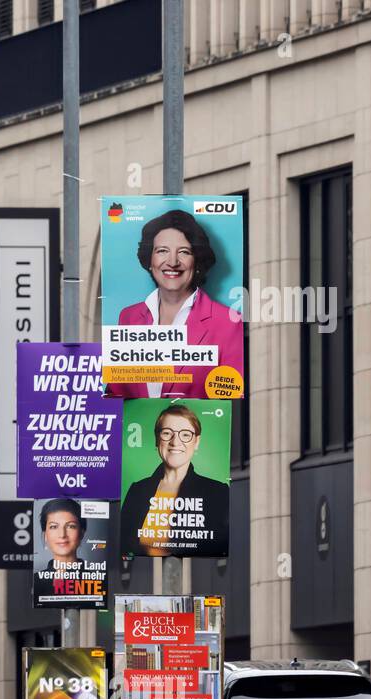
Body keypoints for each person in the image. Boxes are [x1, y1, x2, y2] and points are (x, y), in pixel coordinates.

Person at [108, 209, 243, 399]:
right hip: (136, 429)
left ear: (196, 262)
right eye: (162, 251)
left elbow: (231, 401)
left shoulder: (227, 322)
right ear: (150, 259)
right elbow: (117, 392)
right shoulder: (129, 317)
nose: (172, 262)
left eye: (184, 252)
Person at [120, 404, 229, 557]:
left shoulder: (218, 493)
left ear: (196, 442)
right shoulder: (137, 490)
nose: (175, 442)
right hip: (143, 574)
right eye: (167, 433)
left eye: (185, 435)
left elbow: (218, 549)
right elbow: (124, 548)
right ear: (157, 439)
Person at [36, 499, 86, 570]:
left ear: (81, 533)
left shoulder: (97, 580)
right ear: (45, 535)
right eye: (54, 527)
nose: (62, 535)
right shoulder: (37, 580)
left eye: (71, 526)